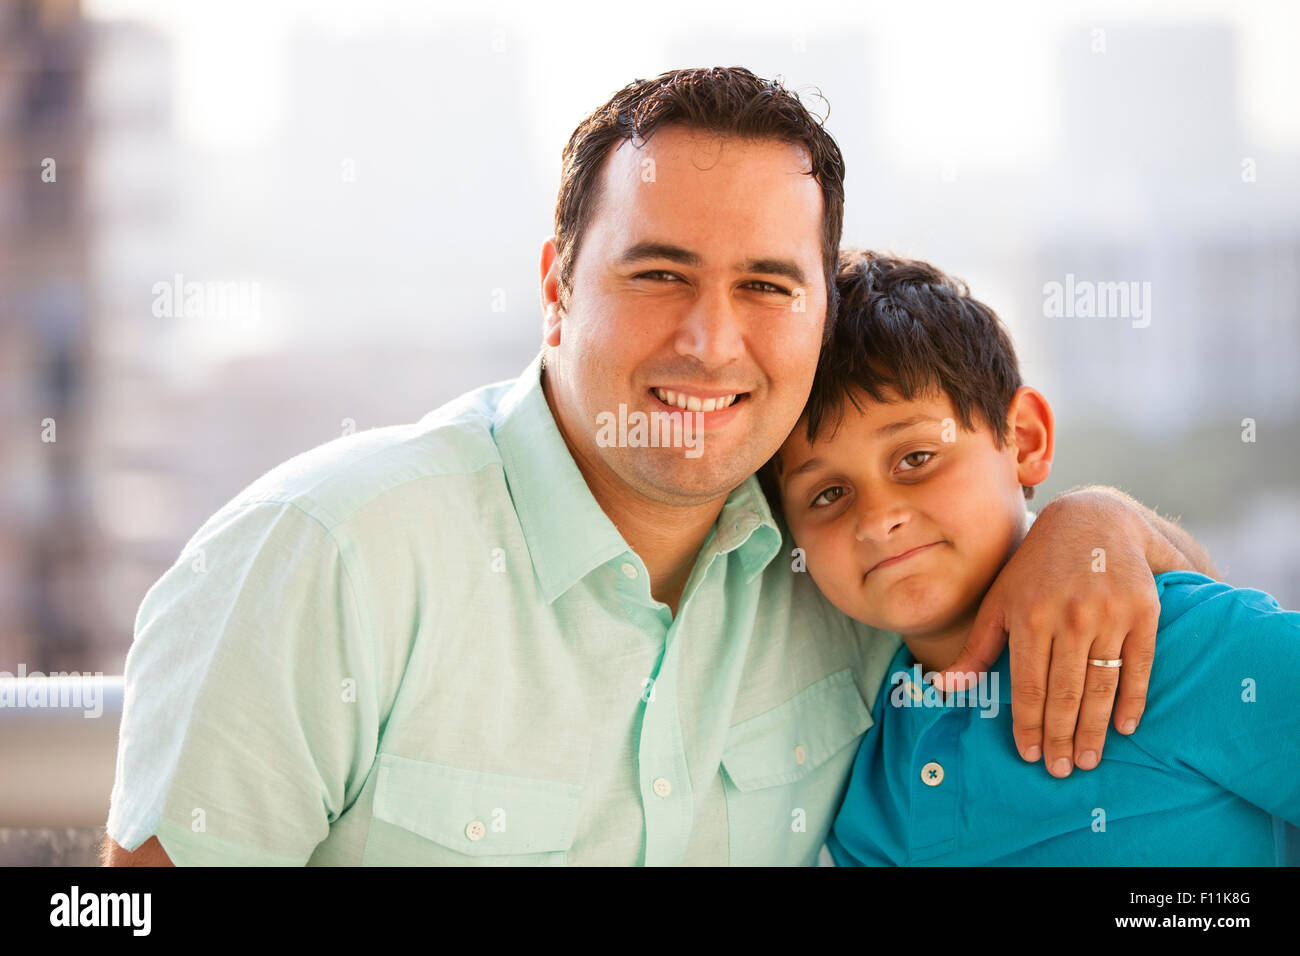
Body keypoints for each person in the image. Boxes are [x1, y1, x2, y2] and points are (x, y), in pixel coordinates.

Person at [103, 68, 1216, 867]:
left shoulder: (843, 552)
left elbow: (1137, 612)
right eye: (657, 274)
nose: (709, 340)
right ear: (556, 284)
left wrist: (1092, 518)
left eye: (769, 286)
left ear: (820, 313)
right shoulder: (329, 554)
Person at [770, 249, 1299, 865]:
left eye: (916, 458)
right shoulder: (866, 774)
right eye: (828, 494)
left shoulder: (1176, 643)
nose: (877, 517)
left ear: (1023, 439)